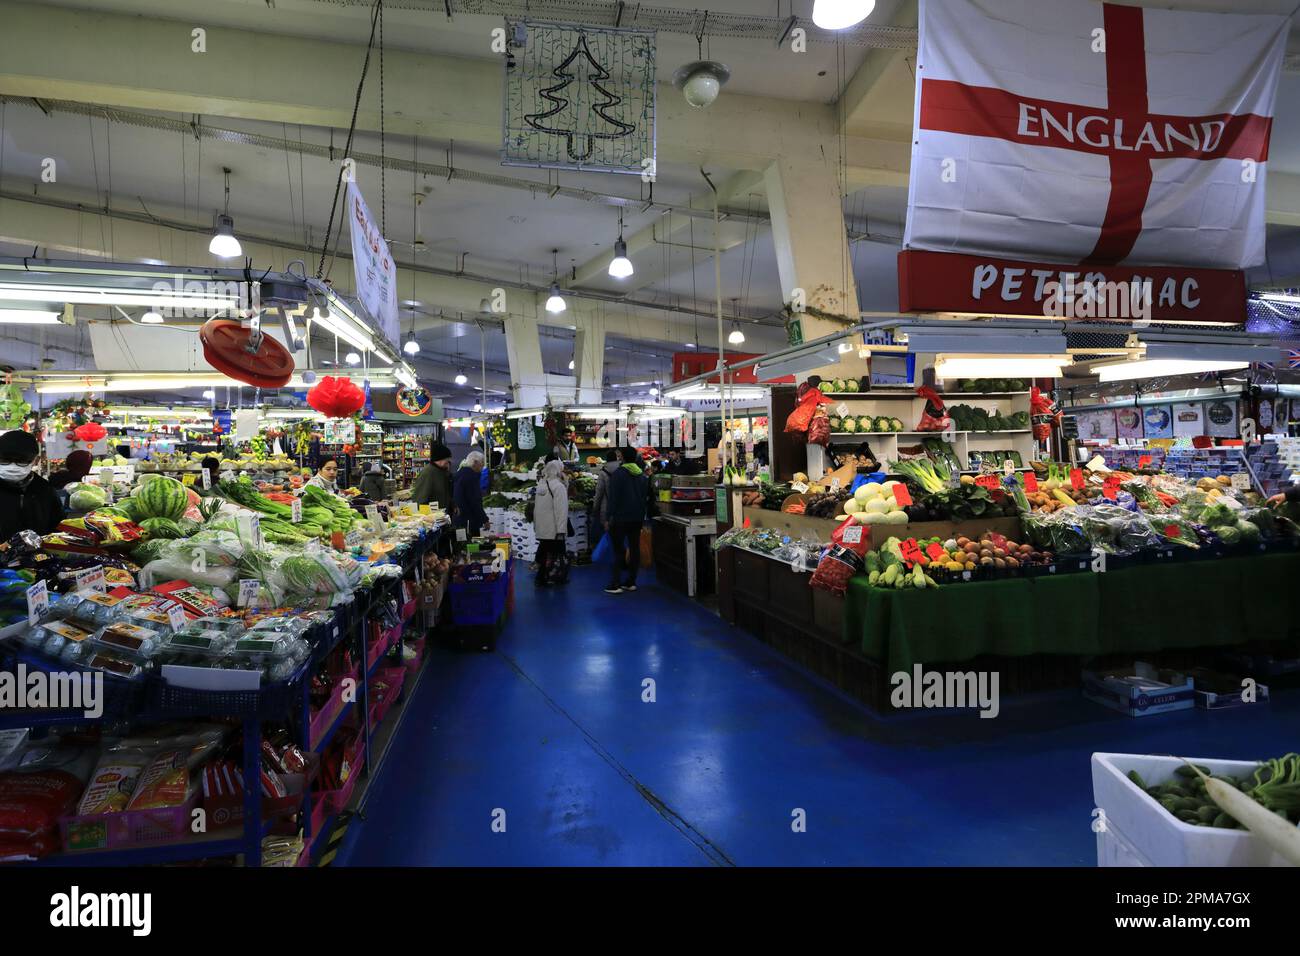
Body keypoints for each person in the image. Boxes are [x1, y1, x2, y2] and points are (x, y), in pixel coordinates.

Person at [0, 430, 64, 538]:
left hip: (39, 554)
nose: (12, 466)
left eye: (22, 461)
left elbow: (57, 529)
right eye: (4, 460)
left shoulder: (45, 490)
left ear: (35, 460)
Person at [604, 447, 647, 595]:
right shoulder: (642, 475)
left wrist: (608, 517)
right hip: (637, 518)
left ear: (622, 457)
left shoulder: (618, 474)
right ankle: (631, 581)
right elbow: (645, 498)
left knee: (618, 550)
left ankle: (615, 583)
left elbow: (613, 498)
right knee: (634, 549)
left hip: (621, 517)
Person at [532, 458, 570, 586]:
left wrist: (536, 526)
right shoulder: (558, 487)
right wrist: (561, 530)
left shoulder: (541, 485)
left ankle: (541, 577)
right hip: (554, 528)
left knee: (544, 552)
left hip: (543, 527)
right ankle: (556, 576)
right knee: (558, 554)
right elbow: (561, 510)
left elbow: (536, 509)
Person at [453, 450, 488, 538]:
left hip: (458, 518)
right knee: (471, 546)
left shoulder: (459, 473)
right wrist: (485, 519)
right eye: (482, 464)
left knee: (460, 544)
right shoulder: (471, 477)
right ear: (475, 462)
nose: (483, 467)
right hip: (469, 520)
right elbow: (475, 501)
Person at [410, 442, 453, 510]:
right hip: (431, 516)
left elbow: (447, 493)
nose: (448, 461)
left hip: (441, 515)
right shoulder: (428, 473)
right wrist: (428, 516)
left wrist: (453, 505)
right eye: (447, 459)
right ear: (440, 458)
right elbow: (420, 500)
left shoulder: (442, 471)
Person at [591, 449, 620, 530]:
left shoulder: (603, 472)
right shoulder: (622, 470)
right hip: (621, 509)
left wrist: (595, 509)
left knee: (608, 534)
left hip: (607, 508)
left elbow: (599, 493)